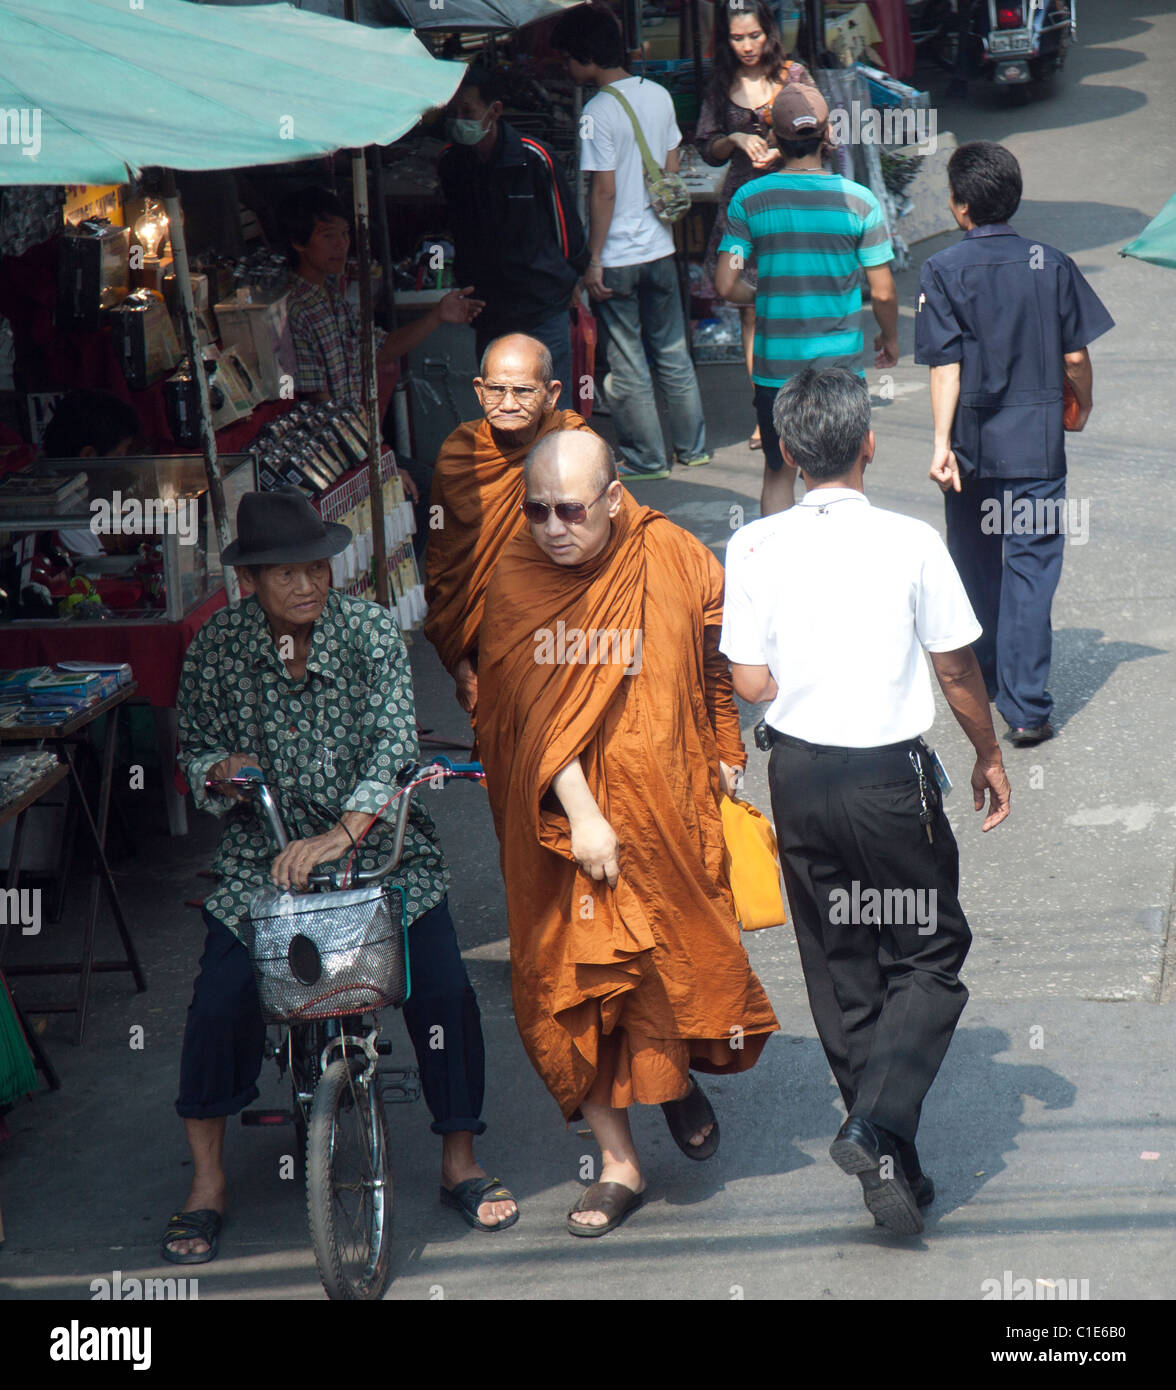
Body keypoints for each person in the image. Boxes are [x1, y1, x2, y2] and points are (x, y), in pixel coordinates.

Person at [162, 487, 517, 1264]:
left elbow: (395, 747)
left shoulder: (369, 634)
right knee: (220, 1001)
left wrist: (340, 835)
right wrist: (220, 767)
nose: (306, 585)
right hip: (265, 857)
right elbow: (191, 750)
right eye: (285, 573)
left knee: (447, 994)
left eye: (317, 568)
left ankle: (461, 1161)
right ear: (250, 581)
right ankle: (208, 1183)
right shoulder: (218, 649)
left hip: (382, 849)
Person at [721, 367, 1011, 1235]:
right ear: (869, 445)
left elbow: (749, 680)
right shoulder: (912, 542)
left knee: (843, 970)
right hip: (888, 782)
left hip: (800, 780)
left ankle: (892, 1165)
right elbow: (955, 665)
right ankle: (876, 1124)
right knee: (928, 955)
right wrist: (990, 754)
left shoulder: (752, 546)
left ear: (785, 451)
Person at [476, 429, 779, 1237]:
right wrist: (582, 816)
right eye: (534, 510)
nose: (550, 528)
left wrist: (724, 751)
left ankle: (672, 1080)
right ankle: (618, 1164)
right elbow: (524, 720)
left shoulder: (671, 554)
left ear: (615, 499)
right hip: (564, 828)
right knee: (580, 983)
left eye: (569, 510)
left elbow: (717, 658)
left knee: (667, 965)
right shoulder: (515, 581)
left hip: (668, 809)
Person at [915, 142, 1114, 746]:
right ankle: (1027, 710)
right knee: (1031, 570)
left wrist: (941, 443)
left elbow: (945, 368)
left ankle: (991, 686)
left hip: (972, 446)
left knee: (976, 567)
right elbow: (1075, 355)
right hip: (1036, 447)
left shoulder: (942, 270)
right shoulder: (1050, 264)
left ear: (961, 207)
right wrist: (1078, 403)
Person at [714, 85, 898, 516]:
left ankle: (781, 571)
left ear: (773, 137)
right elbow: (885, 291)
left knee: (777, 472)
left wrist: (764, 297)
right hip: (841, 372)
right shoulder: (859, 201)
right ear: (828, 133)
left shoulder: (749, 200)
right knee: (844, 477)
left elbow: (726, 283)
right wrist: (890, 339)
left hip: (776, 373)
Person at [552, 3, 709, 480]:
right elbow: (672, 167)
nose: (566, 68)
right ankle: (693, 448)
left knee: (627, 361)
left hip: (617, 256)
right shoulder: (658, 95)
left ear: (585, 57)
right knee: (672, 351)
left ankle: (647, 458)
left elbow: (603, 190)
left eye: (567, 59)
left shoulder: (596, 112)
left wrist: (593, 260)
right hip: (661, 248)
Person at [424, 333, 591, 718]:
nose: (508, 404)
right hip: (492, 642)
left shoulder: (575, 444)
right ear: (479, 391)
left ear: (551, 394)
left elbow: (614, 535)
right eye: (497, 390)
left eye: (523, 391)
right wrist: (458, 658)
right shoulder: (459, 455)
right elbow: (444, 567)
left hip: (566, 630)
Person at [694, 0, 817, 451]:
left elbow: (823, 135)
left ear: (769, 32)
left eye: (754, 35)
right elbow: (706, 146)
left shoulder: (794, 78)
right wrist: (736, 139)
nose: (747, 46)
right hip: (742, 209)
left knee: (795, 307)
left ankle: (801, 407)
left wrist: (783, 150)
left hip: (792, 203)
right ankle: (765, 411)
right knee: (750, 311)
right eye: (737, 38)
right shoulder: (720, 84)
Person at [438, 65, 589, 413]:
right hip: (490, 312)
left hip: (543, 307)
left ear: (495, 111)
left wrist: (571, 279)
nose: (459, 120)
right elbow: (456, 228)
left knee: (552, 411)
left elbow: (568, 231)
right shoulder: (451, 163)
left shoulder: (535, 157)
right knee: (502, 412)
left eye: (467, 112)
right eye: (453, 112)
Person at [38, 388, 139, 557]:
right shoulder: (69, 523)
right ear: (89, 455)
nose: (123, 463)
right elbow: (93, 577)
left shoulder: (82, 494)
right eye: (119, 454)